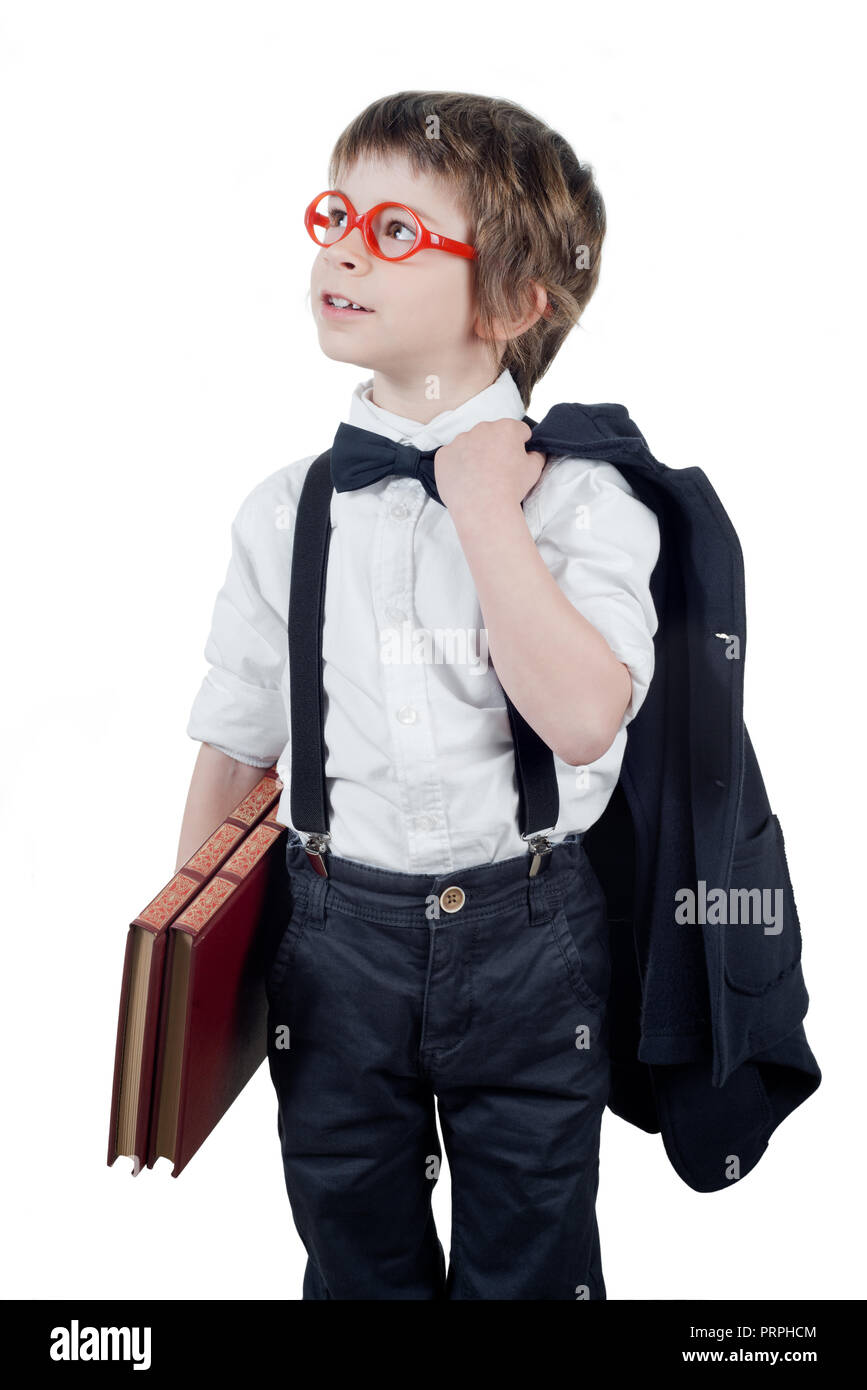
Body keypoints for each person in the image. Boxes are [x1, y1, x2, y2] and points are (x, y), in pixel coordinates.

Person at [177, 90, 661, 1300]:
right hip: (334, 944)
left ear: (506, 303)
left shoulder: (583, 502)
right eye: (338, 214)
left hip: (530, 939)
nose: (340, 245)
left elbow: (587, 716)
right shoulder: (286, 511)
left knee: (534, 1263)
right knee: (352, 1250)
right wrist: (188, 971)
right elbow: (238, 743)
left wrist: (484, 505)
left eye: (396, 230)